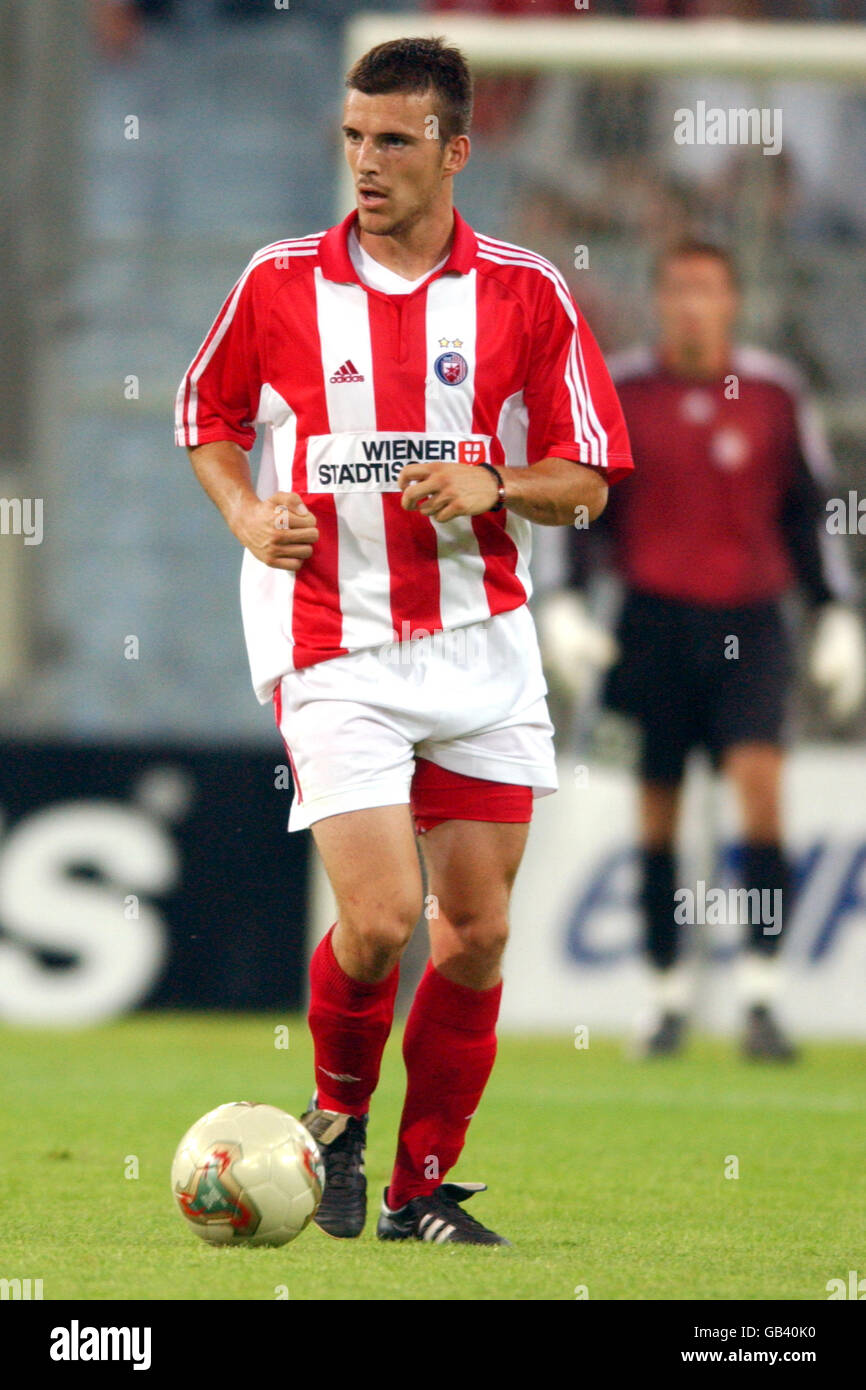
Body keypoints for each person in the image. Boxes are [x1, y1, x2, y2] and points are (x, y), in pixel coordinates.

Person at [175, 37, 633, 1244]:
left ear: (455, 149)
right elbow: (204, 415)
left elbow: (586, 482)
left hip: (478, 646)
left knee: (475, 933)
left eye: (392, 140)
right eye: (352, 138)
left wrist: (498, 482)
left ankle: (419, 1188)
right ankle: (335, 1123)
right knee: (380, 920)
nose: (365, 163)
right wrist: (245, 511)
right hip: (332, 642)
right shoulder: (279, 282)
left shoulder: (526, 292)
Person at [540, 239, 864, 1060]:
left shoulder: (771, 393)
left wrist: (834, 614)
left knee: (759, 794)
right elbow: (583, 500)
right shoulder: (623, 389)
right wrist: (569, 600)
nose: (691, 305)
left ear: (730, 302)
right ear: (658, 299)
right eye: (677, 288)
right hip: (651, 624)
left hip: (752, 625)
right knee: (657, 814)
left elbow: (811, 512)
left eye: (707, 290)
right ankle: (664, 997)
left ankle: (762, 997)